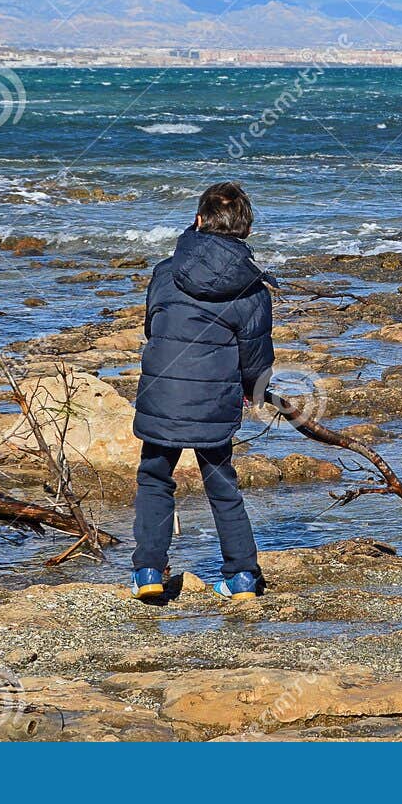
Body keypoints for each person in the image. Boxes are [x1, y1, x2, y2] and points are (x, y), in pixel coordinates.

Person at [130, 182, 274, 601]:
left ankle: (148, 572)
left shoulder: (164, 272)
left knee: (155, 479)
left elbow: (153, 327)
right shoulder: (252, 289)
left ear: (198, 220)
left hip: (163, 393)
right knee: (222, 484)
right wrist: (255, 392)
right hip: (214, 401)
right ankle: (243, 576)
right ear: (245, 229)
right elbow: (256, 357)